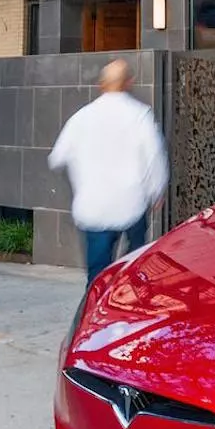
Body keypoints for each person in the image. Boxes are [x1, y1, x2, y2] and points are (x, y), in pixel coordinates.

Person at [47, 58, 169, 287]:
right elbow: (154, 156)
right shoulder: (140, 115)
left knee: (97, 277)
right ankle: (129, 309)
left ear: (101, 85)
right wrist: (156, 190)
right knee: (134, 269)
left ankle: (96, 314)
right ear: (129, 83)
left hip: (94, 206)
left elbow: (57, 157)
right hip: (131, 204)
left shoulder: (81, 117)